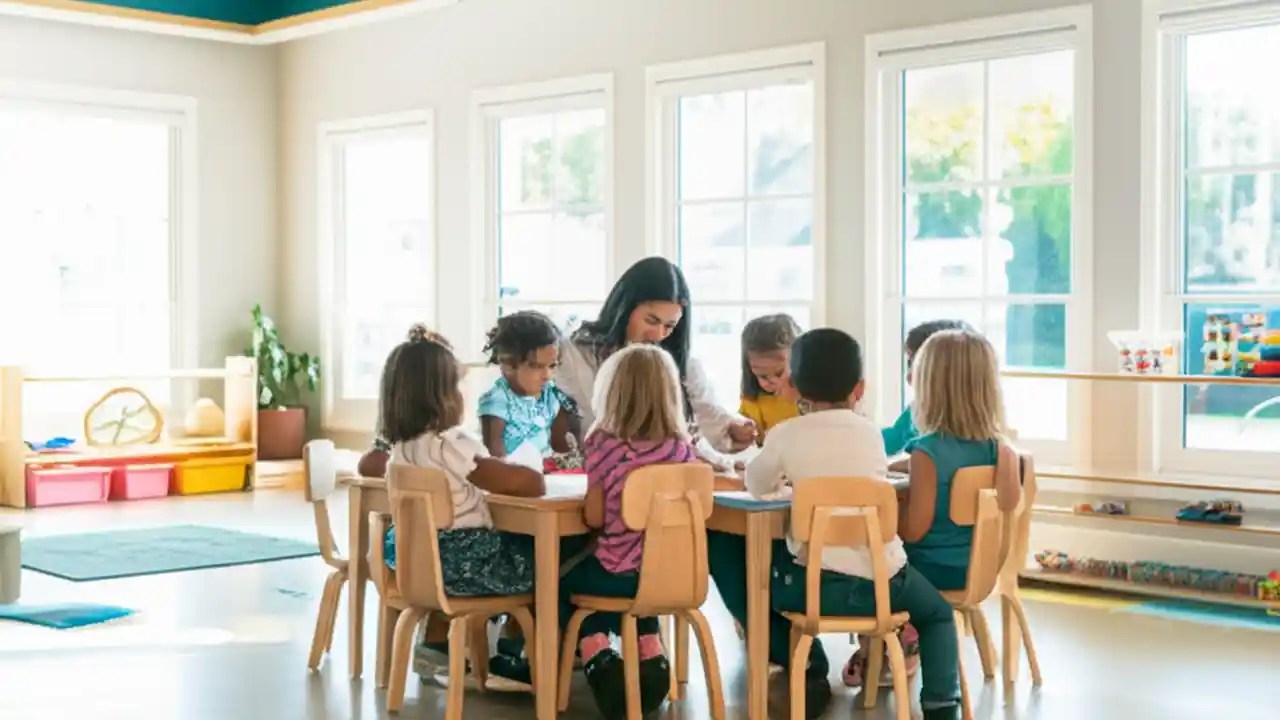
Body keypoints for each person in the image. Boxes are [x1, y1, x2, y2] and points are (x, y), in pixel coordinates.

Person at [709, 329, 962, 720]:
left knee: (760, 585)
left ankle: (802, 668)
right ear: (858, 389)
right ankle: (942, 706)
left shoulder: (785, 433)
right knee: (938, 614)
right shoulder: (870, 435)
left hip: (810, 589)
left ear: (794, 385)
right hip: (885, 583)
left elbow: (757, 485)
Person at [375, 324, 546, 682]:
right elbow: (525, 485)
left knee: (456, 538)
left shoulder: (401, 450)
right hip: (461, 563)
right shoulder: (450, 444)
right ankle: (511, 654)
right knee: (542, 558)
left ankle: (437, 648)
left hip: (416, 559)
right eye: (456, 385)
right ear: (440, 396)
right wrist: (528, 470)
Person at [560, 343, 698, 719]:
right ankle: (649, 647)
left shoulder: (603, 445)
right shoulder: (682, 451)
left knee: (560, 581)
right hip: (669, 579)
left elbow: (594, 518)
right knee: (644, 579)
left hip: (614, 575)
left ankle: (596, 651)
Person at [555, 256, 757, 456]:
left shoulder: (681, 364)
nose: (659, 334)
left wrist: (734, 428)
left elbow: (711, 416)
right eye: (651, 320)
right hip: (600, 469)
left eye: (669, 326)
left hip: (664, 473)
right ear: (624, 308)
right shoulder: (578, 354)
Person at [898, 328, 1022, 589]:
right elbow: (1009, 505)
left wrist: (891, 513)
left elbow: (913, 531)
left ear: (928, 387)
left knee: (871, 562)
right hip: (979, 569)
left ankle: (896, 626)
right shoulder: (1000, 449)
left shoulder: (926, 452)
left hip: (927, 572)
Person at [477, 310, 572, 459]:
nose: (547, 376)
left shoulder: (550, 396)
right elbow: (495, 456)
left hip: (545, 473)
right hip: (512, 476)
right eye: (536, 366)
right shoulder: (497, 401)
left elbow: (559, 445)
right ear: (507, 364)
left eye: (552, 366)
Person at [883, 319, 976, 458]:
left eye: (921, 367)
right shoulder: (917, 410)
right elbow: (891, 440)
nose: (909, 376)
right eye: (910, 363)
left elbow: (941, 460)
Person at [738, 313, 802, 444]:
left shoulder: (813, 399)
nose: (774, 382)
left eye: (779, 373)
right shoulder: (752, 401)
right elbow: (755, 444)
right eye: (762, 376)